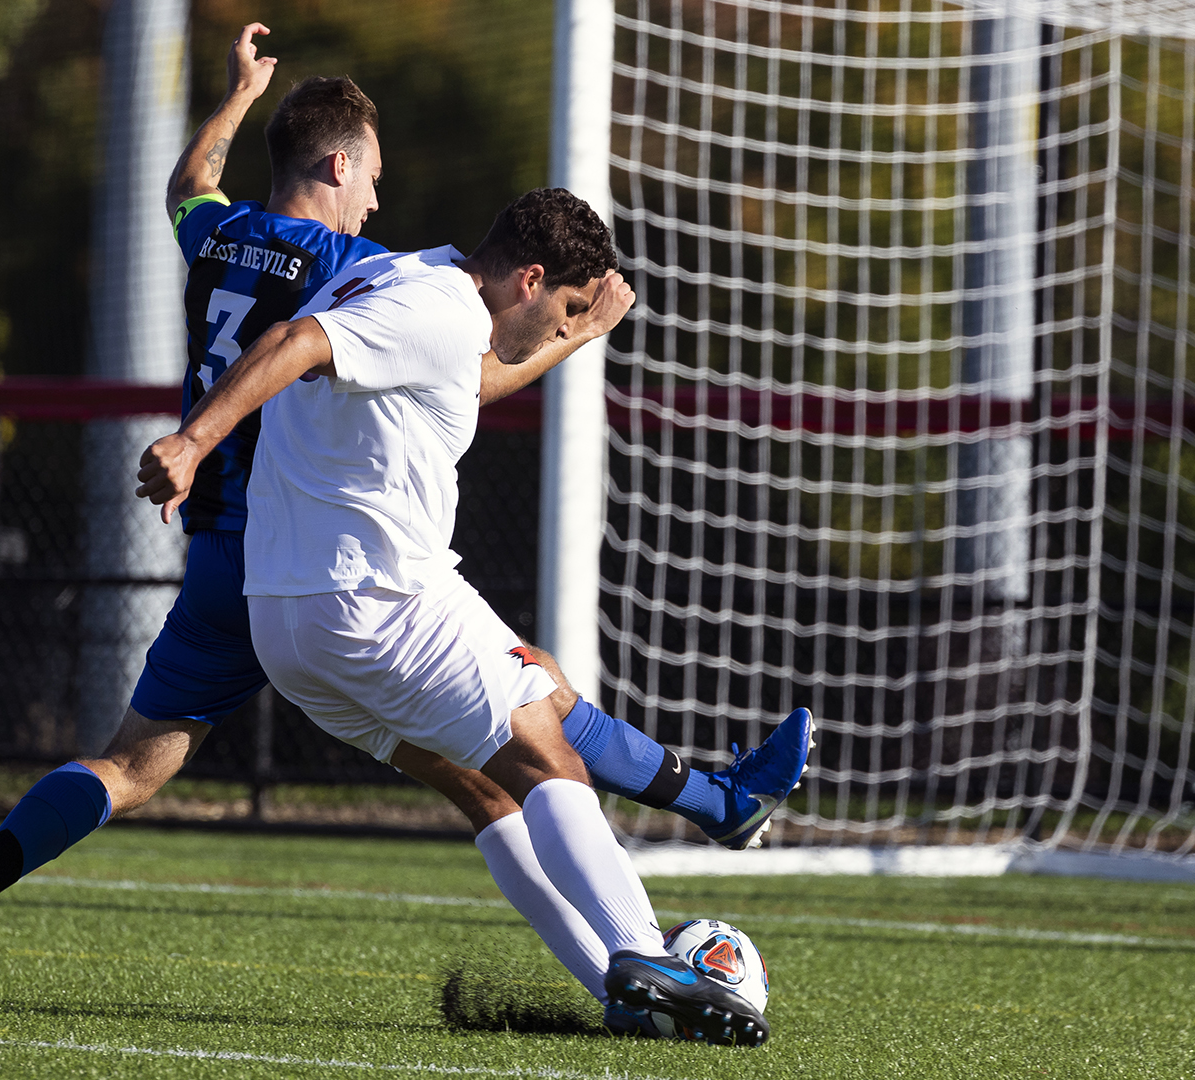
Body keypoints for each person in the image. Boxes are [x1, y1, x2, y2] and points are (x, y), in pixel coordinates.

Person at [0, 24, 810, 1021]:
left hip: (232, 569)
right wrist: (573, 337)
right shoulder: (348, 261)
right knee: (540, 712)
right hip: (294, 543)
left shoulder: (218, 237)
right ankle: (704, 832)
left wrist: (238, 96)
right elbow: (423, 356)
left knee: (135, 764)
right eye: (369, 178)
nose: (377, 200)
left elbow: (187, 184)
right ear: (335, 165)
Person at [134, 186, 802, 1045]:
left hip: (290, 623)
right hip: (375, 599)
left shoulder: (413, 283)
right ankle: (644, 952)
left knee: (496, 777)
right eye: (562, 306)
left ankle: (630, 965)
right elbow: (297, 341)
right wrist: (194, 440)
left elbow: (470, 377)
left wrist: (579, 334)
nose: (561, 323)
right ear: (528, 278)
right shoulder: (436, 306)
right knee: (542, 749)